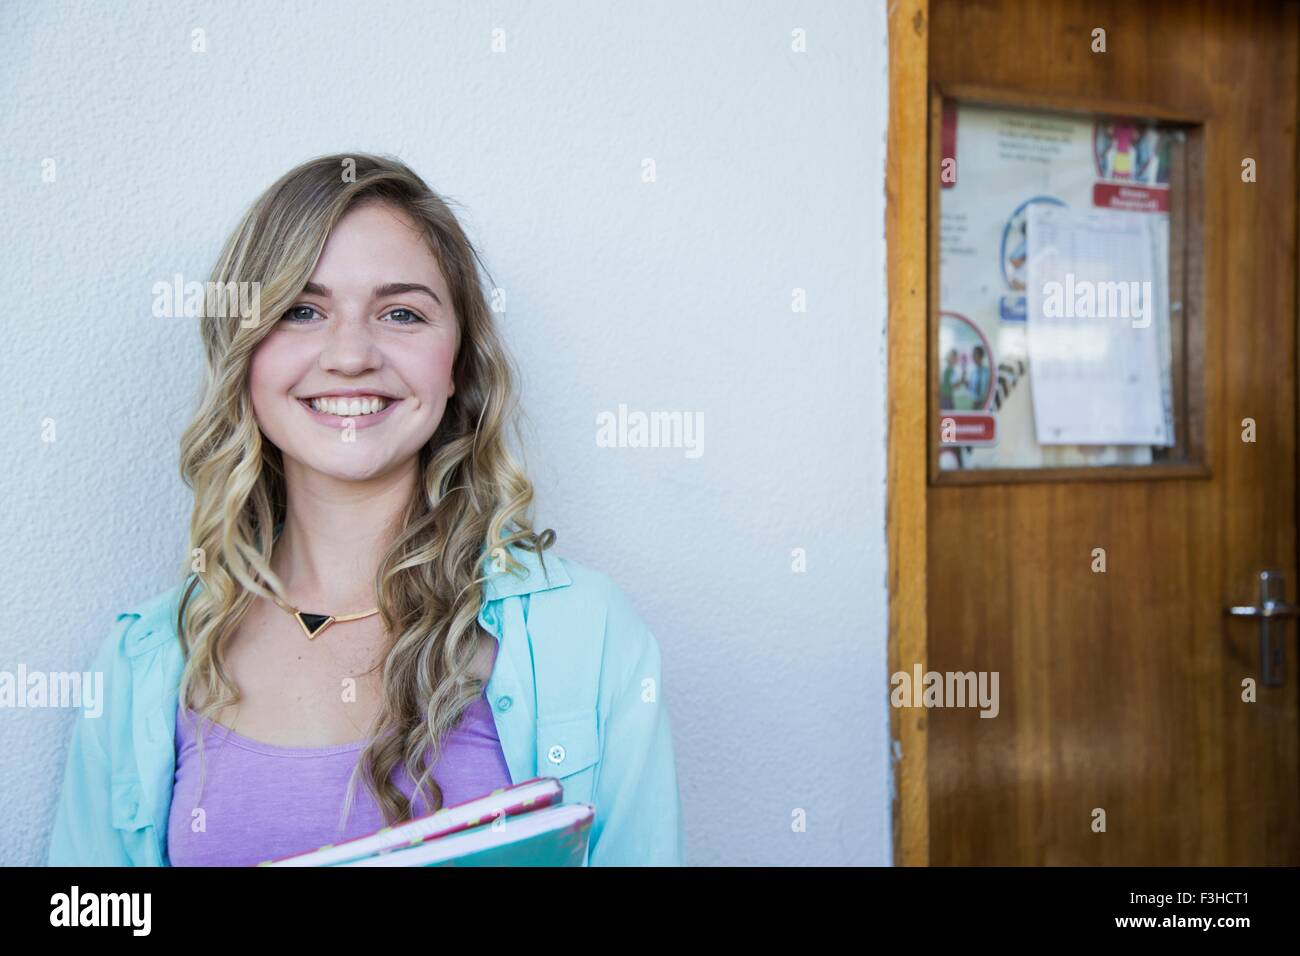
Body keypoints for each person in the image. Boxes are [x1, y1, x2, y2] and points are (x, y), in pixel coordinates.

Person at [47, 153, 684, 867]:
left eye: (402, 313)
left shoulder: (591, 635)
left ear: (457, 366)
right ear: (245, 354)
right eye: (302, 310)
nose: (350, 355)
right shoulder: (140, 663)